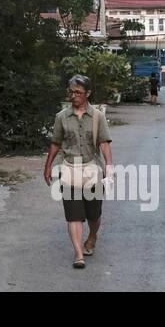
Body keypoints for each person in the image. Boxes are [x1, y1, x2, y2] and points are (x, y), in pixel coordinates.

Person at [43, 75, 115, 269]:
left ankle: (92, 236)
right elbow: (56, 143)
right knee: (74, 215)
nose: (73, 96)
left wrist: (109, 167)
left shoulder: (98, 116)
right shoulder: (62, 117)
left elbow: (104, 143)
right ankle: (78, 253)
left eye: (78, 92)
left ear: (88, 94)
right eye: (71, 92)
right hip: (69, 169)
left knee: (94, 214)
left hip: (92, 168)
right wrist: (48, 166)